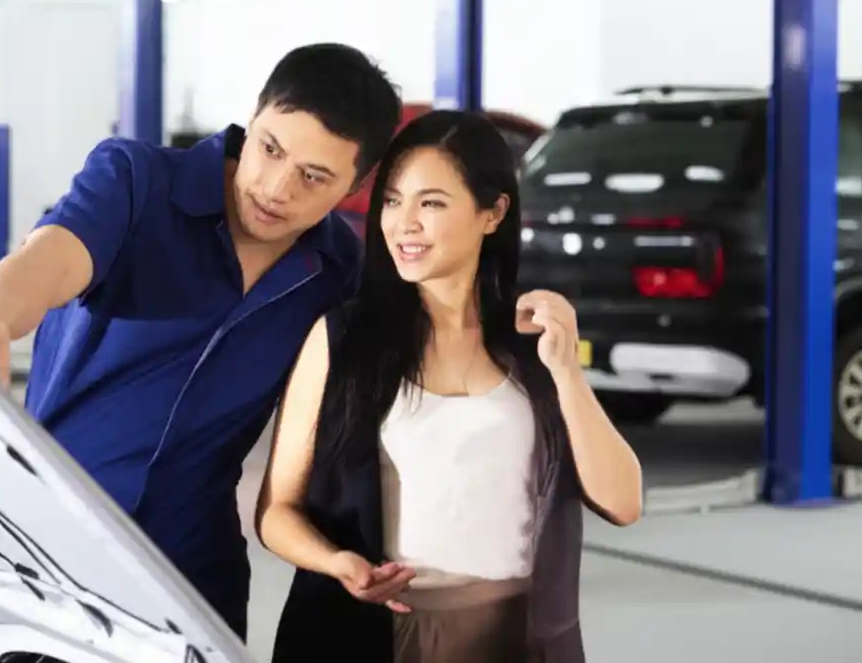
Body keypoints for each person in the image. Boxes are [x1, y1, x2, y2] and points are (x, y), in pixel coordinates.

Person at [0, 42, 402, 640]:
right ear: (256, 113)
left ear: (357, 184)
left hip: (193, 576)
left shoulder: (335, 268)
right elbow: (50, 260)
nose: (276, 188)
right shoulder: (135, 183)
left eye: (313, 177)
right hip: (52, 546)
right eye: (270, 149)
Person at [256, 110, 644, 663]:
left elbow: (623, 502)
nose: (403, 223)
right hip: (374, 636)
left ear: (493, 213)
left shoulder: (532, 342)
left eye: (431, 203)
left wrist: (566, 370)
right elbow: (276, 511)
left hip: (519, 638)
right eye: (392, 200)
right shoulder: (344, 340)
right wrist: (336, 562)